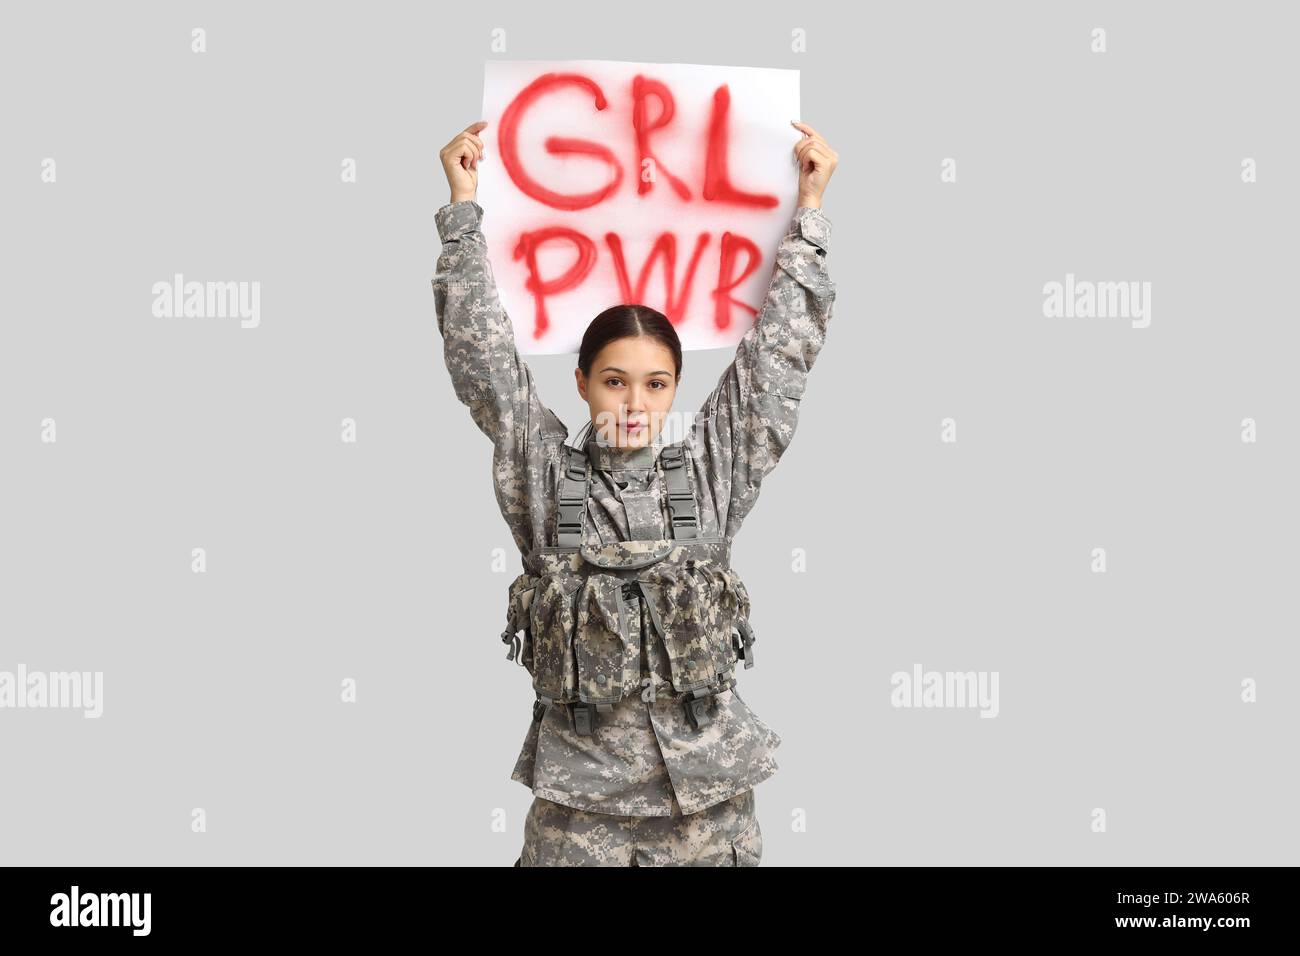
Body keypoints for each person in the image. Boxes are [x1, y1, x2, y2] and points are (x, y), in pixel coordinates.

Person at [432, 119, 837, 866]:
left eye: (656, 385)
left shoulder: (706, 476)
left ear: (676, 390)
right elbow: (482, 360)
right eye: (614, 380)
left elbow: (775, 365)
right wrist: (463, 209)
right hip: (579, 807)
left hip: (708, 808)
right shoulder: (544, 474)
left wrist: (808, 217)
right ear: (581, 382)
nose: (633, 402)